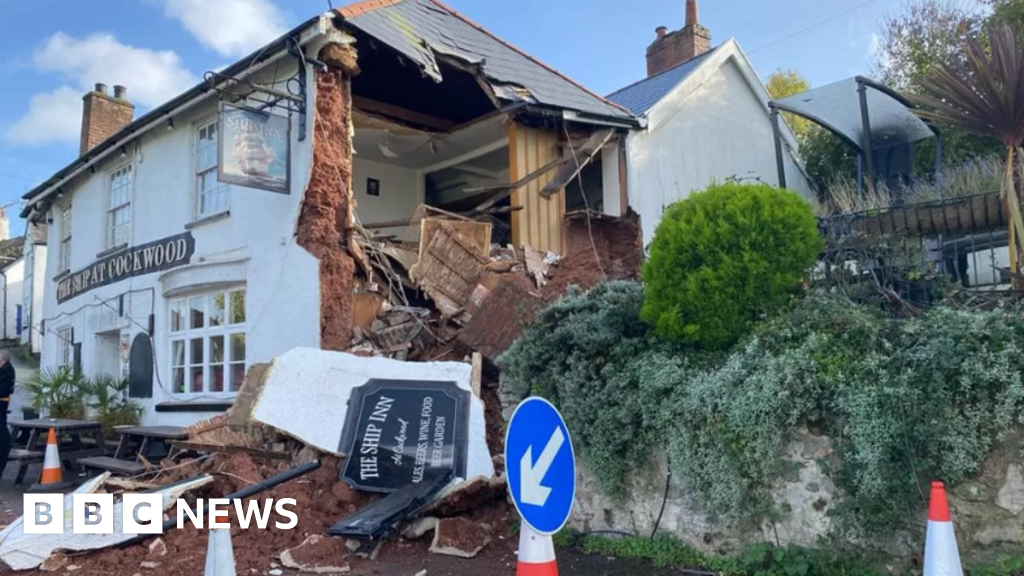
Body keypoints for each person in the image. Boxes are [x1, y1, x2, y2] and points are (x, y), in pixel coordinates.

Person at [0, 351, 14, 477]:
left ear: (3, 358)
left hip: (1, 401)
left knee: (1, 427)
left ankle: (4, 446)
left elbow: (3, 388)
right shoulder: (5, 368)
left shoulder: (7, 369)